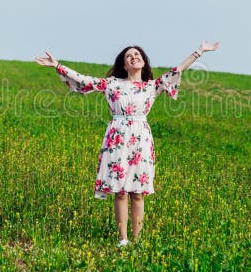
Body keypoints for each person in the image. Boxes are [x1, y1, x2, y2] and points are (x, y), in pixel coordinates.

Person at [35, 41, 220, 247]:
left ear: (143, 61)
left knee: (138, 193)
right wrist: (57, 65)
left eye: (137, 54)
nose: (134, 57)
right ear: (124, 65)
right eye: (129, 56)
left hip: (141, 140)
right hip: (117, 138)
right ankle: (123, 239)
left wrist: (200, 51)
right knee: (121, 191)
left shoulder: (151, 86)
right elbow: (84, 80)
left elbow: (176, 70)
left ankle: (138, 240)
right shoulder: (112, 83)